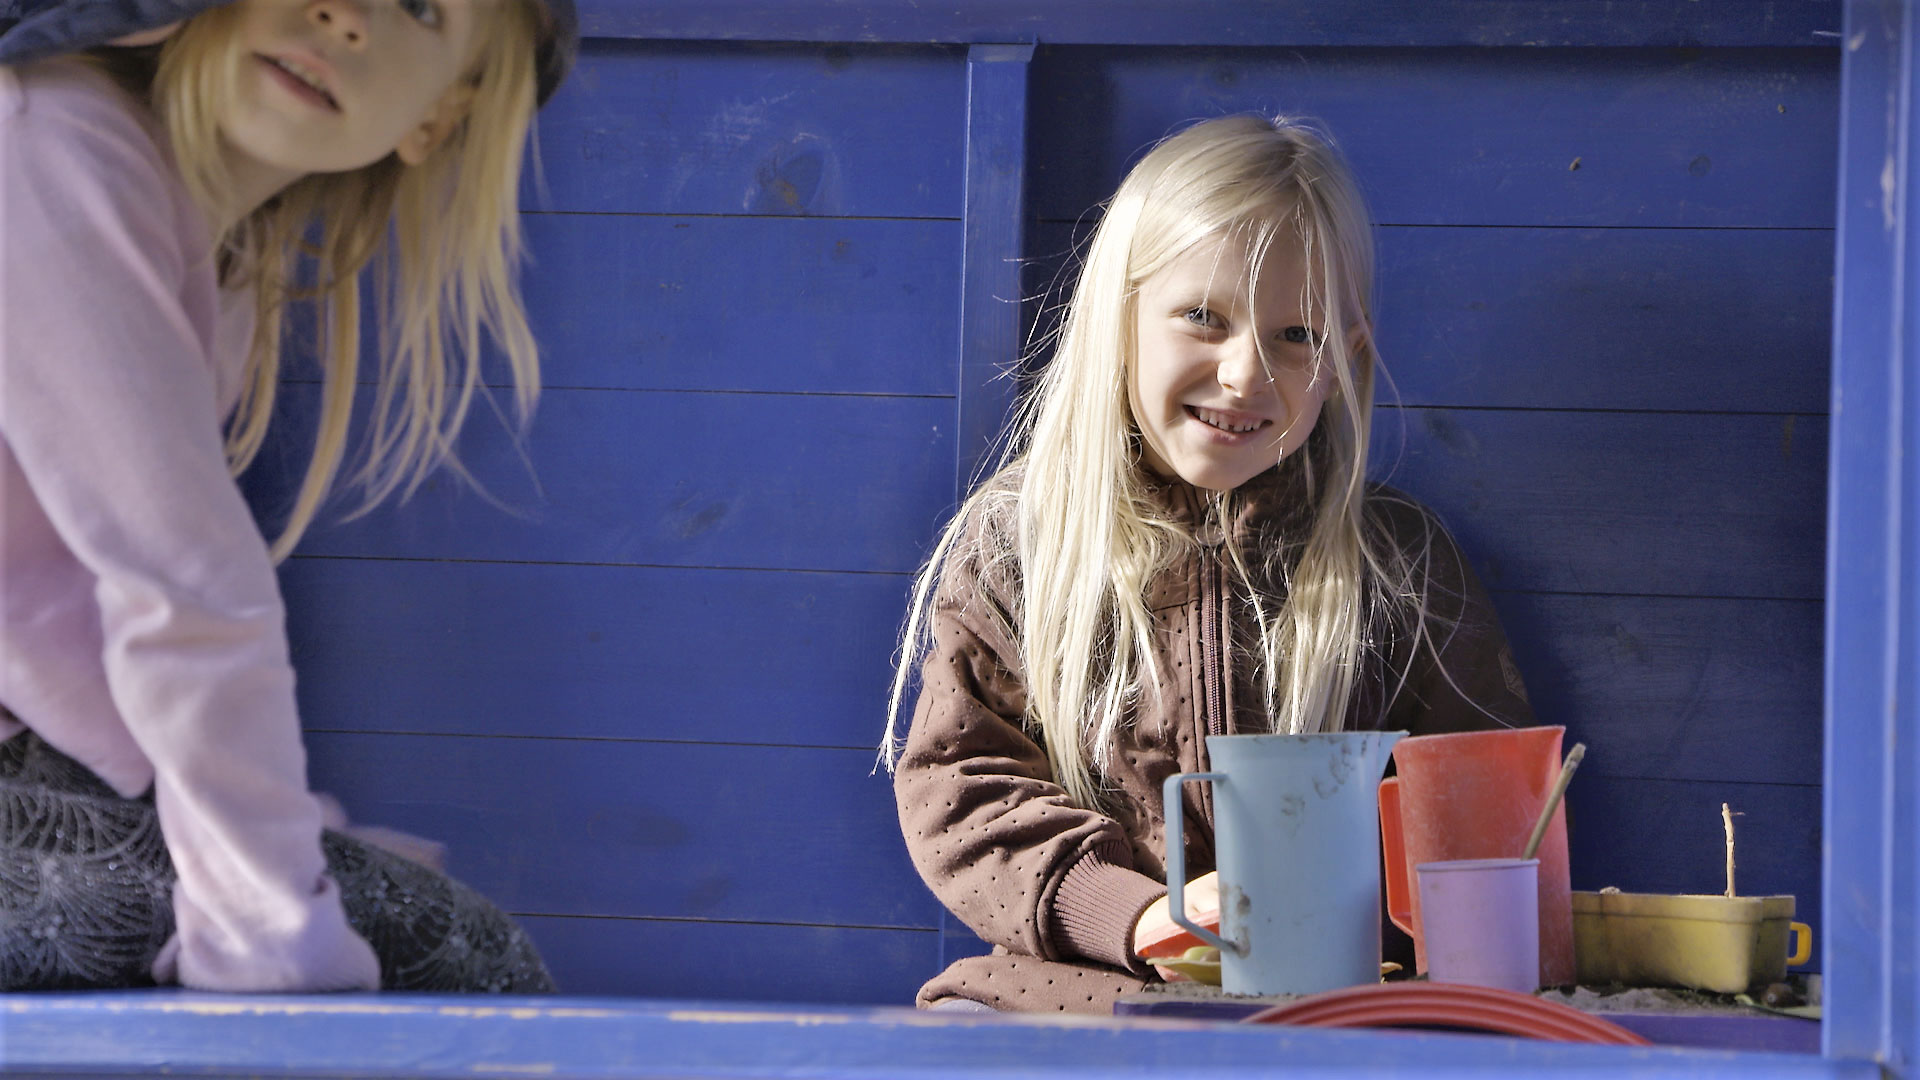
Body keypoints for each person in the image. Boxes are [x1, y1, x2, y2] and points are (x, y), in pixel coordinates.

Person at [882, 113, 1537, 1014]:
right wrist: (1136, 914)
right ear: (1119, 317)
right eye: (1202, 318)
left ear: (1345, 359)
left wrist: (1369, 930)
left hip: (1325, 1005)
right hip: (1068, 992)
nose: (1244, 374)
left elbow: (1481, 804)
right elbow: (962, 788)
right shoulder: (1021, 544)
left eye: (1297, 336)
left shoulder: (1399, 565)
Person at [0, 0, 578, 992]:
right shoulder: (50, 145)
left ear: (436, 117)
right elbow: (186, 593)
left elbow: (72, 616)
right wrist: (269, 937)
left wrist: (296, 850)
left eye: (419, 6)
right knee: (458, 957)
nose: (343, 16)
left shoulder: (210, 250)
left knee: (416, 928)